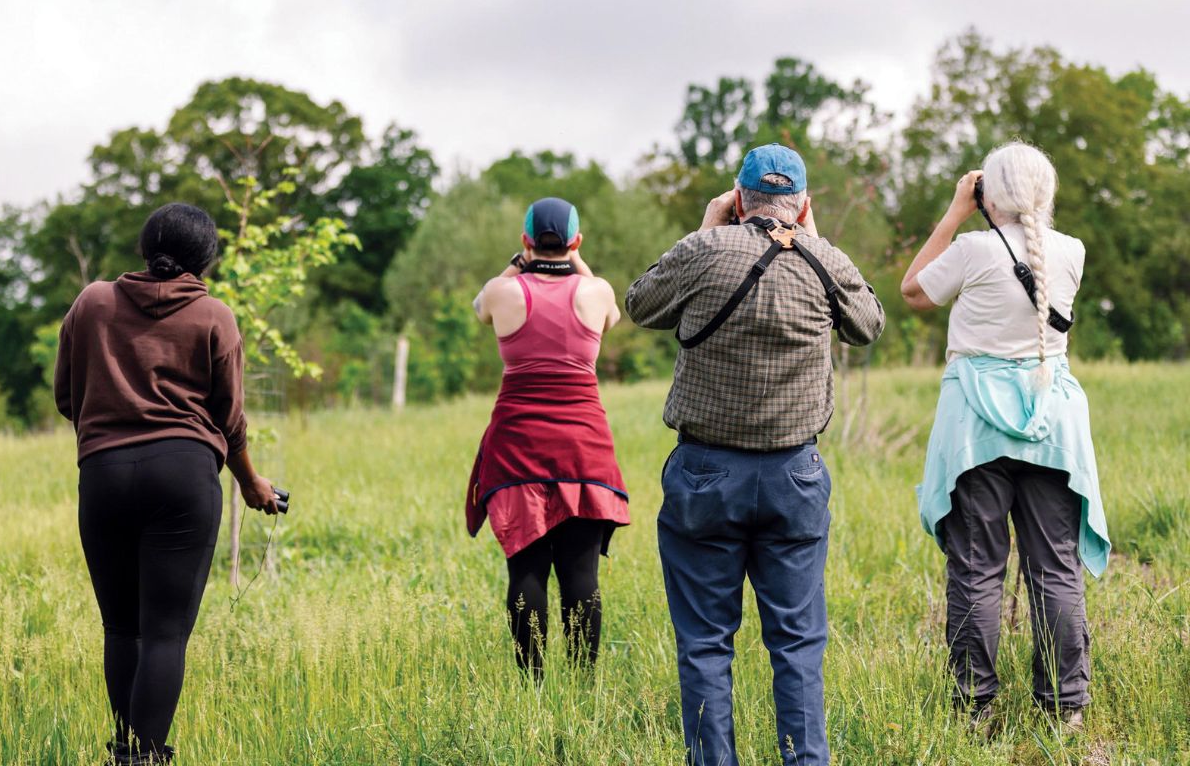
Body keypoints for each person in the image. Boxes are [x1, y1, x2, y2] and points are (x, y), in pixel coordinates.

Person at [627, 144, 885, 766]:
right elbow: (868, 324)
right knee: (797, 644)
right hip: (794, 474)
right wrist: (813, 239)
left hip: (705, 474)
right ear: (802, 203)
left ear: (738, 198)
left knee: (705, 643)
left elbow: (641, 304)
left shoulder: (705, 249)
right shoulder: (825, 260)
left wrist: (706, 228)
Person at [55, 203, 279, 765]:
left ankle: (125, 750)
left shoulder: (92, 302)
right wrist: (252, 483)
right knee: (163, 634)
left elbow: (65, 395)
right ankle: (144, 758)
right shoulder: (214, 315)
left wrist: (109, 424)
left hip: (102, 474)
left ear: (143, 244)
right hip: (183, 476)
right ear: (206, 258)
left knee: (121, 628)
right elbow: (230, 420)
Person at [900, 142, 1110, 735]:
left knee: (976, 569)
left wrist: (955, 212)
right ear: (1047, 192)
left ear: (987, 192)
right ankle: (1066, 705)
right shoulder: (1071, 252)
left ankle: (975, 707)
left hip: (976, 428)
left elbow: (913, 291)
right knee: (1055, 569)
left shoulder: (970, 249)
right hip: (1054, 426)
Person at [466, 197, 630, 679]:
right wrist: (577, 260)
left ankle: (532, 690)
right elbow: (614, 317)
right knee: (582, 576)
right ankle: (582, 687)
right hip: (584, 446)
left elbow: (479, 308)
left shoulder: (503, 291)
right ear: (576, 241)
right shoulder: (596, 291)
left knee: (526, 571)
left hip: (517, 445)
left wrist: (519, 264)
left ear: (525, 241)